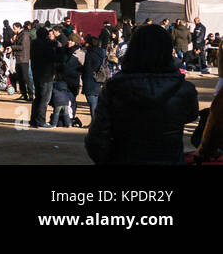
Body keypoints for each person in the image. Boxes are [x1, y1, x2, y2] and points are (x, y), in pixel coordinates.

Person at [86, 24, 199, 164]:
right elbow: (191, 115)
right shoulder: (184, 89)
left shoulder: (114, 88)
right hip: (169, 158)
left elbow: (97, 138)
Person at [30, 25, 58, 128]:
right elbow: (53, 58)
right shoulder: (46, 46)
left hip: (36, 74)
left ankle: (34, 120)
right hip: (46, 75)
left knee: (38, 98)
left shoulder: (34, 44)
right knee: (44, 99)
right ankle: (40, 121)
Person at [81, 33, 107, 120]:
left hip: (90, 80)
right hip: (99, 79)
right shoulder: (101, 53)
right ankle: (95, 121)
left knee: (92, 102)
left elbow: (87, 69)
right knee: (95, 101)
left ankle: (94, 122)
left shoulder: (90, 54)